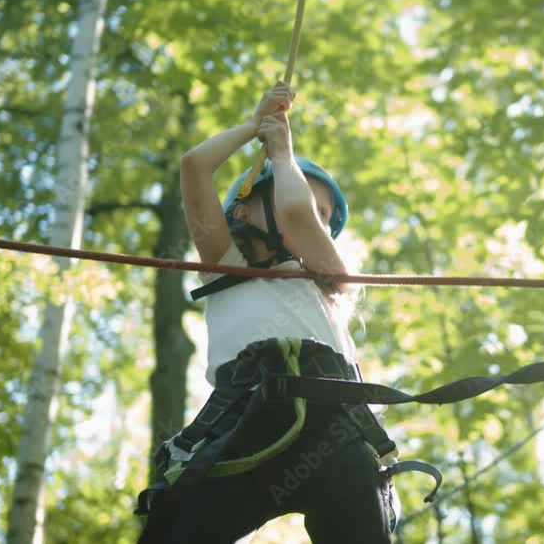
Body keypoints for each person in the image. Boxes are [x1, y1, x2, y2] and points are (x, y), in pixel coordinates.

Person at [136, 82, 398, 544]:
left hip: (335, 428)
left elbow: (296, 215)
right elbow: (194, 166)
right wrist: (254, 127)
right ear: (247, 207)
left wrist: (282, 153)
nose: (315, 219)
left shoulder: (328, 280)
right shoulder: (225, 263)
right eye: (290, 188)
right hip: (245, 415)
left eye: (326, 217)